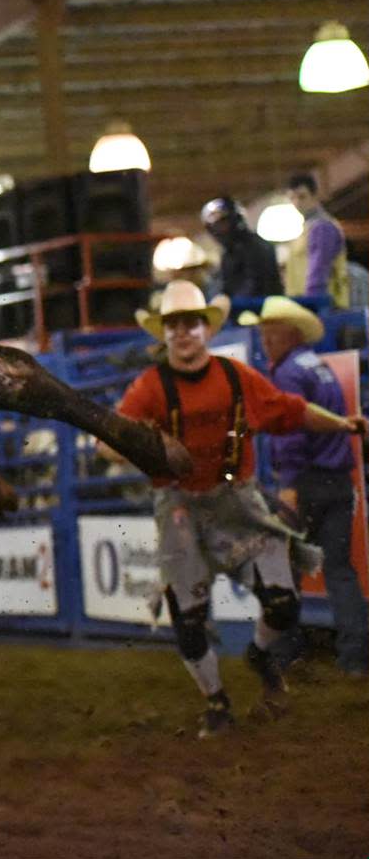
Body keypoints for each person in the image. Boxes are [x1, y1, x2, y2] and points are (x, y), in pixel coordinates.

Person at [105, 280, 366, 737]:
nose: (183, 333)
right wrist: (142, 446)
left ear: (205, 329)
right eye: (174, 326)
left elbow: (291, 410)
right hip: (179, 505)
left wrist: (343, 424)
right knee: (188, 616)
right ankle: (216, 701)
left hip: (235, 499)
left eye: (190, 323)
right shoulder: (150, 387)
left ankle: (260, 653)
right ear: (164, 334)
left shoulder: (233, 377)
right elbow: (108, 442)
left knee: (282, 604)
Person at [248, 296, 369, 676]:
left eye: (272, 333)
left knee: (286, 571)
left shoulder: (287, 374)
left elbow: (289, 432)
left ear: (290, 335)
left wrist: (288, 485)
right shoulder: (319, 367)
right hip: (337, 482)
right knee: (340, 571)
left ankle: (285, 656)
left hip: (305, 483)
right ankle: (356, 659)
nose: (266, 340)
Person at [285, 173, 349, 308]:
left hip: (321, 305)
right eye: (292, 198)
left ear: (315, 196)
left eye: (302, 196)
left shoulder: (322, 228)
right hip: (304, 303)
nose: (297, 202)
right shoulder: (306, 229)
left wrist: (314, 302)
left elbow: (319, 268)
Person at [200, 196, 283, 299]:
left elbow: (256, 286)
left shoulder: (257, 246)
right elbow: (226, 287)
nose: (220, 230)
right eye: (216, 226)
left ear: (236, 220)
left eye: (224, 223)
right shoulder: (228, 253)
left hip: (263, 310)